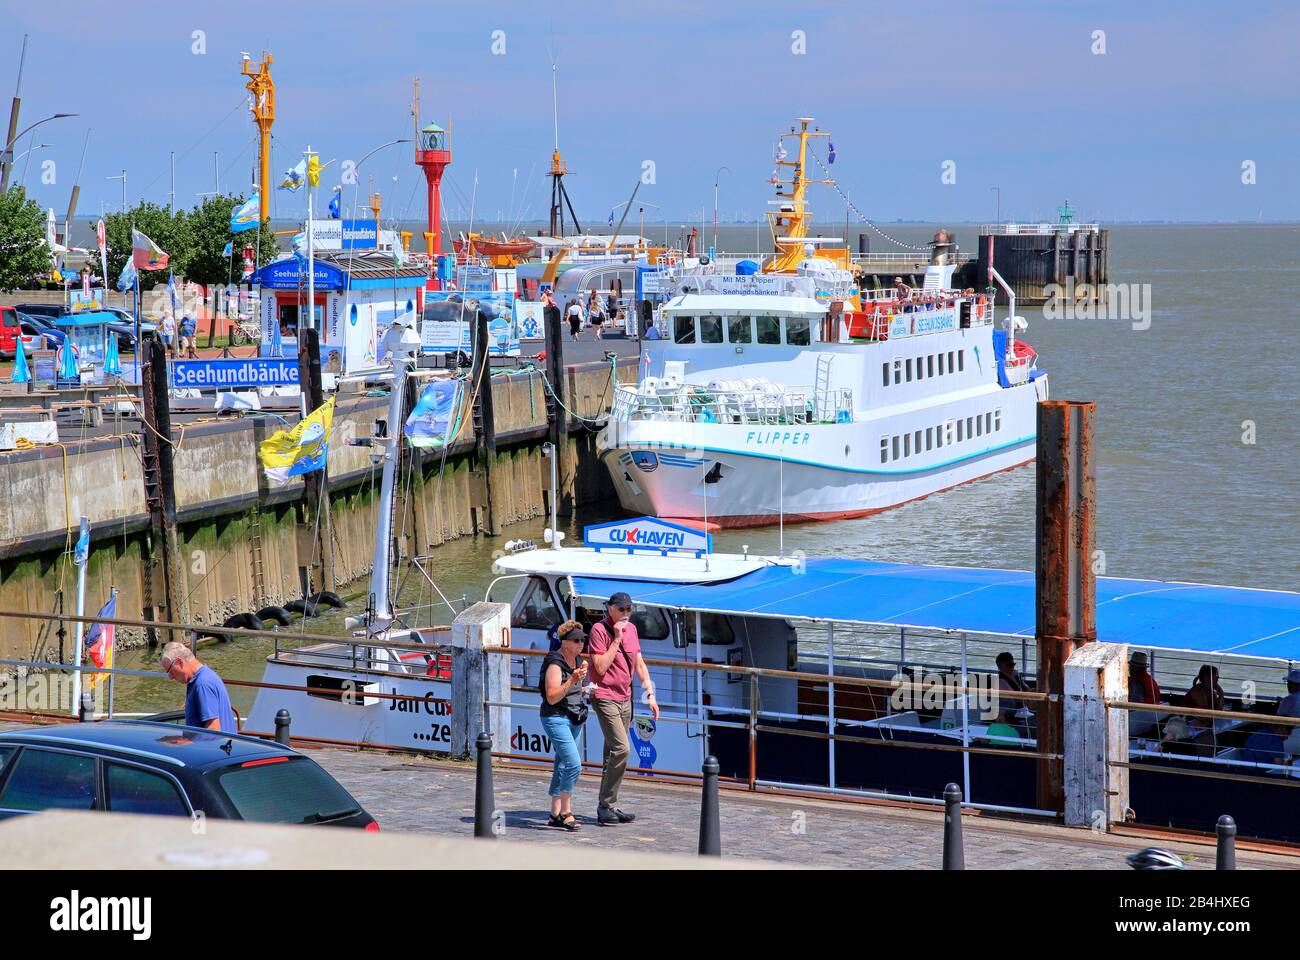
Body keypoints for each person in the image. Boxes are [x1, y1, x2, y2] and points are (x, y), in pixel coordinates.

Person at [586, 591, 659, 825]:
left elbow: (638, 663)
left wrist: (650, 694)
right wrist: (616, 638)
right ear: (610, 609)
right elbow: (599, 667)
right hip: (604, 696)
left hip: (625, 698)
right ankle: (606, 804)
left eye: (629, 609)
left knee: (611, 754)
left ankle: (608, 806)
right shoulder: (599, 630)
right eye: (621, 609)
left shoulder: (633, 630)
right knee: (622, 749)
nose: (626, 614)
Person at [539, 620, 589, 831]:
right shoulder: (555, 663)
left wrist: (584, 689)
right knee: (573, 763)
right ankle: (567, 811)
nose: (581, 644)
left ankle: (554, 813)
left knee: (561, 764)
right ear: (565, 642)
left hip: (574, 716)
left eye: (582, 640)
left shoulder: (577, 660)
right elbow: (551, 697)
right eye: (576, 640)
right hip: (555, 716)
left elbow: (572, 691)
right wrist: (572, 680)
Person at [160, 641, 236, 732]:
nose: (170, 677)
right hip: (226, 744)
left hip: (214, 745)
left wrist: (183, 742)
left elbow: (214, 729)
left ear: (179, 662)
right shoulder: (207, 675)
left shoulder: (202, 684)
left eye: (170, 671)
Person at [994, 651, 1033, 723]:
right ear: (1001, 666)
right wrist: (1032, 698)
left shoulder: (1015, 674)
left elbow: (1026, 688)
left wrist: (1032, 691)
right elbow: (1016, 698)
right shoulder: (1000, 681)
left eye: (1013, 664)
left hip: (1023, 707)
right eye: (1010, 665)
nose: (1013, 667)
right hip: (1013, 710)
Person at [1184, 664, 1225, 729]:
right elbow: (1207, 714)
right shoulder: (1197, 691)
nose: (1218, 677)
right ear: (1207, 677)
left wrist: (1221, 693)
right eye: (1216, 675)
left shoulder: (1211, 691)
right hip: (1190, 724)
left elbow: (1219, 708)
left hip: (1205, 723)